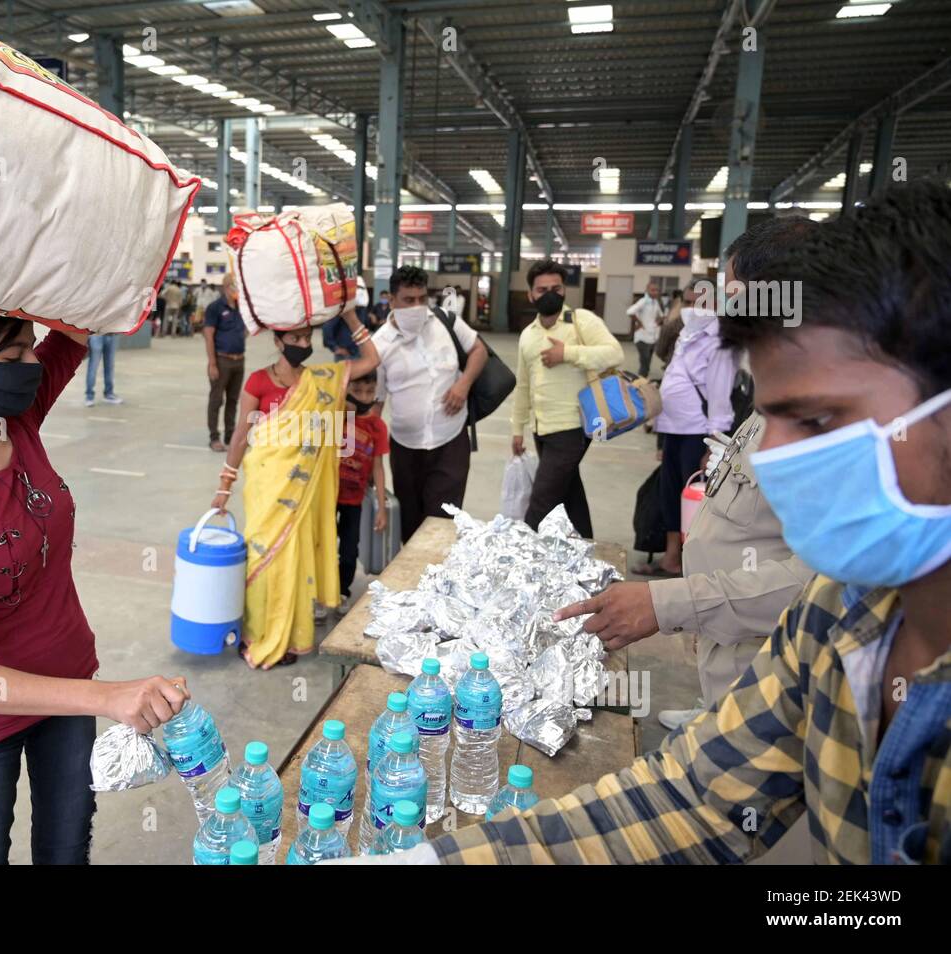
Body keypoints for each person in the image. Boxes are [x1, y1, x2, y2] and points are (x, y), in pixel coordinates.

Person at [358, 180, 951, 867]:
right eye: (774, 416)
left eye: (819, 421)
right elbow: (693, 798)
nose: (780, 459)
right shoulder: (839, 617)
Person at [0, 314, 190, 864]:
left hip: (66, 694)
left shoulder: (13, 425)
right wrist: (109, 696)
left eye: (28, 350)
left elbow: (75, 328)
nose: (32, 364)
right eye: (18, 354)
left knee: (66, 853)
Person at [551, 218, 818, 732]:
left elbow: (819, 586)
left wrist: (671, 603)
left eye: (734, 295)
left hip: (775, 707)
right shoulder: (772, 392)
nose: (723, 309)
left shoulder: (825, 423)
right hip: (734, 668)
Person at [214, 303, 380, 669]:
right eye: (295, 337)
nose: (303, 342)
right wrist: (225, 484)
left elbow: (371, 359)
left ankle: (290, 633)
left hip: (302, 491)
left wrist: (350, 317)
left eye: (307, 336)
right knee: (263, 556)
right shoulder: (258, 380)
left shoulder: (321, 378)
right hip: (266, 484)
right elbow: (242, 434)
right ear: (278, 340)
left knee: (293, 558)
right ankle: (257, 634)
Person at [510, 260, 624, 539]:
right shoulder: (528, 335)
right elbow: (523, 385)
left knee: (541, 501)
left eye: (556, 288)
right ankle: (588, 547)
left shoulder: (582, 321)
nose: (549, 293)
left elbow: (614, 353)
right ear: (531, 295)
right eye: (542, 289)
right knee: (569, 493)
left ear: (564, 290)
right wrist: (517, 428)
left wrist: (568, 354)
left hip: (573, 427)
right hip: (541, 428)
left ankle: (520, 557)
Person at [374, 265, 487, 544]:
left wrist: (464, 383)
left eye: (422, 299)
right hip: (406, 447)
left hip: (450, 440)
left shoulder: (445, 322)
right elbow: (375, 403)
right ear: (391, 300)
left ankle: (440, 580)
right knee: (410, 524)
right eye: (408, 300)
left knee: (442, 522)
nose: (417, 306)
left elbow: (478, 350)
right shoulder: (379, 345)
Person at [645, 278, 738, 576]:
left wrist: (715, 444)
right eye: (686, 302)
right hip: (673, 428)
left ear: (715, 303)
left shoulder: (720, 342)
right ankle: (671, 557)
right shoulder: (685, 334)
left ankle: (694, 565)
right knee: (671, 495)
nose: (692, 308)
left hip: (698, 432)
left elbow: (721, 396)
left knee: (697, 500)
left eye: (700, 301)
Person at [336, 371, 389, 615]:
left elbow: (378, 467)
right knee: (321, 548)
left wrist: (381, 507)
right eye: (357, 392)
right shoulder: (337, 419)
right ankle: (320, 593)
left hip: (354, 500)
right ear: (346, 390)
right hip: (327, 499)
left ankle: (341, 591)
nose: (364, 398)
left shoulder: (377, 427)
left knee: (349, 551)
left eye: (369, 392)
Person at [203, 276, 246, 452]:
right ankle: (214, 437)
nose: (236, 290)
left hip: (239, 360)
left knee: (233, 400)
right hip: (222, 360)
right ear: (226, 287)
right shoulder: (215, 308)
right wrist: (212, 363)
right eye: (234, 287)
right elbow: (208, 336)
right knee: (216, 399)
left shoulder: (241, 308)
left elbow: (244, 331)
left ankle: (230, 435)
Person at [626, 281, 665, 377]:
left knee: (647, 364)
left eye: (657, 290)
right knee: (644, 363)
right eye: (652, 290)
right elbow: (630, 312)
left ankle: (644, 383)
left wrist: (658, 321)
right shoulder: (643, 301)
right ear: (647, 290)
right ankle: (640, 384)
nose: (655, 292)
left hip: (652, 337)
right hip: (642, 337)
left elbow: (662, 315)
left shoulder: (655, 302)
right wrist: (639, 323)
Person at [83, 333, 121, 407]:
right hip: (96, 334)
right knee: (93, 366)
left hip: (111, 334)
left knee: (109, 365)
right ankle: (89, 396)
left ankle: (109, 394)